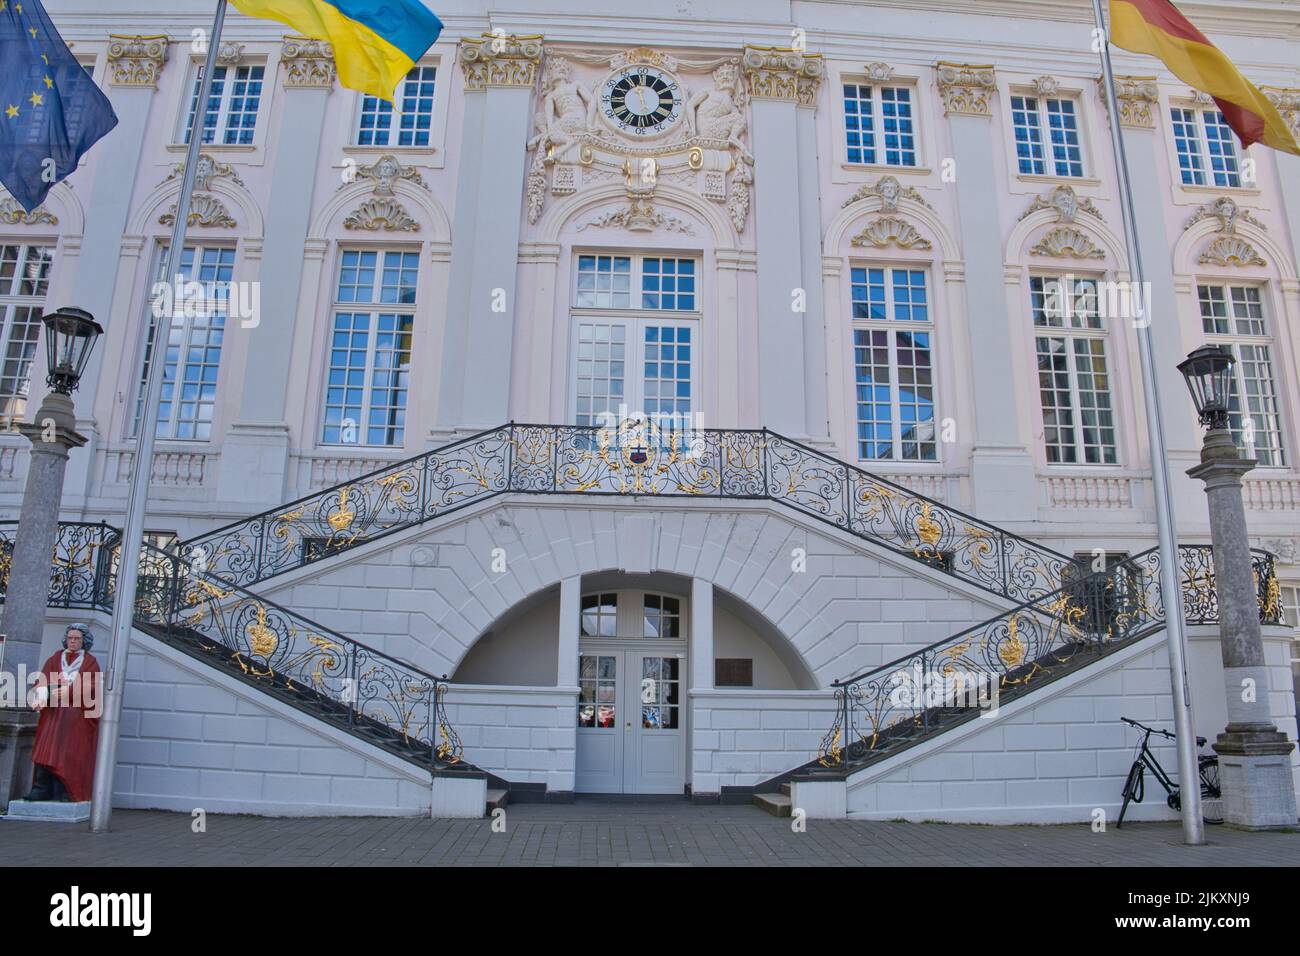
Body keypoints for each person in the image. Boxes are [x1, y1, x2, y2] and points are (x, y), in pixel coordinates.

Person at [25, 623, 102, 802]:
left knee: (70, 751)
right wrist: (41, 696)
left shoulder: (90, 662)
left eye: (77, 639)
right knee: (45, 749)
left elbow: (93, 686)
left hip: (75, 717)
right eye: (70, 638)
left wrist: (71, 691)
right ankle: (41, 787)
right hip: (52, 715)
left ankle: (66, 788)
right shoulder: (55, 658)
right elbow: (43, 679)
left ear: (84, 641)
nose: (73, 641)